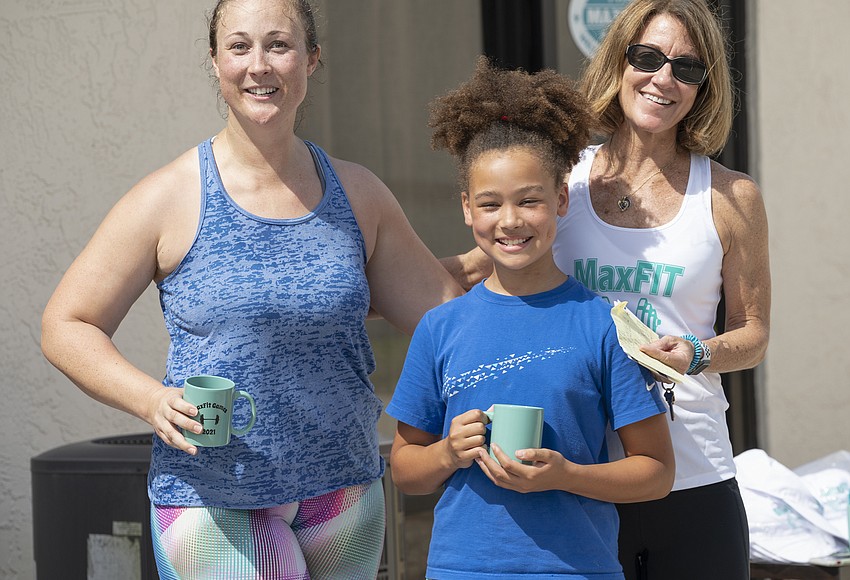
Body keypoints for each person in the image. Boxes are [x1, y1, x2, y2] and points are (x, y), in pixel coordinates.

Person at [40, 0, 461, 578]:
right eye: (239, 46)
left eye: (279, 45)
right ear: (215, 62)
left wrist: (525, 264)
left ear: (312, 60)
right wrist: (150, 400)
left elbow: (445, 317)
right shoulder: (169, 197)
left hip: (342, 490)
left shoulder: (358, 194)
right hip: (210, 495)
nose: (258, 65)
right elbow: (67, 324)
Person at [446, 1, 769, 578]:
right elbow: (474, 269)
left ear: (705, 86)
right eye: (646, 57)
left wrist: (696, 354)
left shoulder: (730, 196)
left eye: (687, 68)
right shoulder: (561, 180)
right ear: (618, 62)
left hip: (695, 477)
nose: (663, 79)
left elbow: (754, 334)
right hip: (576, 474)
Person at [386, 56, 675, 580]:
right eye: (490, 204)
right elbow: (405, 469)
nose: (511, 220)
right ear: (467, 209)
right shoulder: (440, 328)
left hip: (577, 570)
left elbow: (655, 472)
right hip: (461, 569)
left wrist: (566, 475)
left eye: (530, 201)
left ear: (561, 200)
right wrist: (448, 453)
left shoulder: (602, 325)